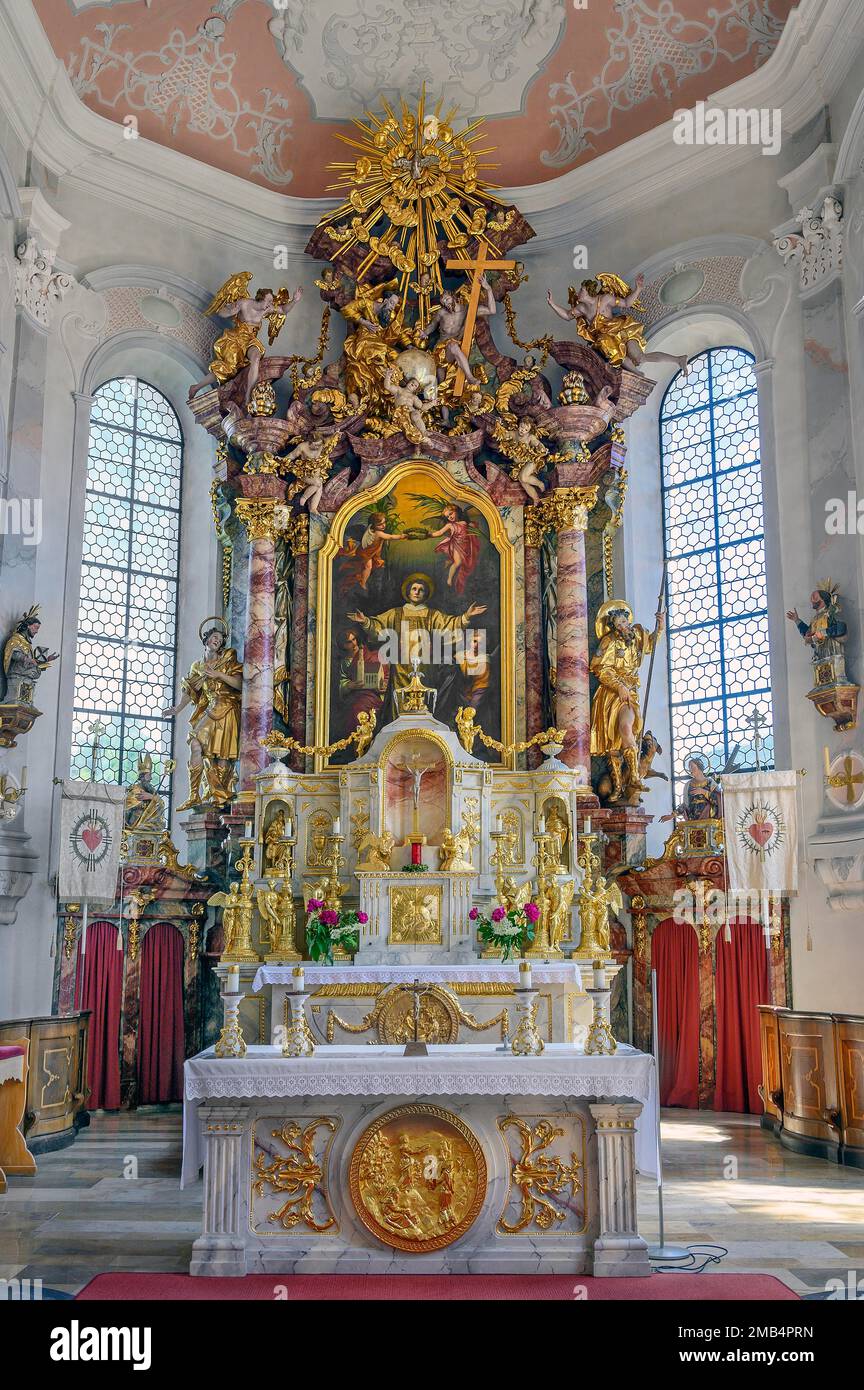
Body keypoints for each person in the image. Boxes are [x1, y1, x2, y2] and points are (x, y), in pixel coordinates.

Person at [347, 577, 485, 700]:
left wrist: (466, 616)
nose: (417, 592)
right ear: (408, 592)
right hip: (400, 666)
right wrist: (365, 621)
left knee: (425, 699)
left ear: (425, 594)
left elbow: (449, 627)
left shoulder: (433, 615)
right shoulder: (396, 613)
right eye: (414, 588)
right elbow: (379, 627)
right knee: (400, 699)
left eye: (421, 590)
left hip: (426, 666)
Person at [590, 599, 664, 802]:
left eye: (625, 622)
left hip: (629, 694)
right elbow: (598, 667)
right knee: (613, 744)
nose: (624, 626)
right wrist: (618, 686)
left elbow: (650, 646)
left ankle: (633, 775)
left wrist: (659, 628)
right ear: (614, 627)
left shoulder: (637, 635)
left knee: (626, 728)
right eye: (619, 624)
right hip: (609, 695)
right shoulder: (608, 642)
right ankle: (618, 787)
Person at [163, 621, 242, 809]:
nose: (217, 640)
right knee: (195, 743)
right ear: (206, 640)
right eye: (214, 637)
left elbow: (240, 685)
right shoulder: (197, 666)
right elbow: (189, 691)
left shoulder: (228, 660)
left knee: (222, 756)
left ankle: (219, 798)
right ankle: (194, 795)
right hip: (210, 708)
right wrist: (177, 709)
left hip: (228, 709)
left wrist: (218, 675)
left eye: (220, 639)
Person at [547, 273, 687, 376]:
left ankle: (678, 359)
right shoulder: (581, 309)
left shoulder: (605, 299)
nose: (578, 294)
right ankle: (638, 375)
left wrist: (638, 289)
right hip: (605, 337)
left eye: (581, 291)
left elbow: (626, 303)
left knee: (639, 357)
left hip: (620, 329)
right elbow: (566, 316)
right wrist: (552, 304)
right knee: (616, 356)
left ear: (588, 291)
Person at [428, 503, 481, 593]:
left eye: (451, 514)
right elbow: (439, 532)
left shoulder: (464, 522)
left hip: (466, 545)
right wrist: (428, 535)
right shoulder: (450, 525)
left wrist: (473, 526)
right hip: (456, 545)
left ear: (456, 511)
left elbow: (470, 529)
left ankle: (449, 561)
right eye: (448, 517)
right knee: (458, 563)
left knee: (467, 562)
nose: (450, 517)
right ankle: (449, 578)